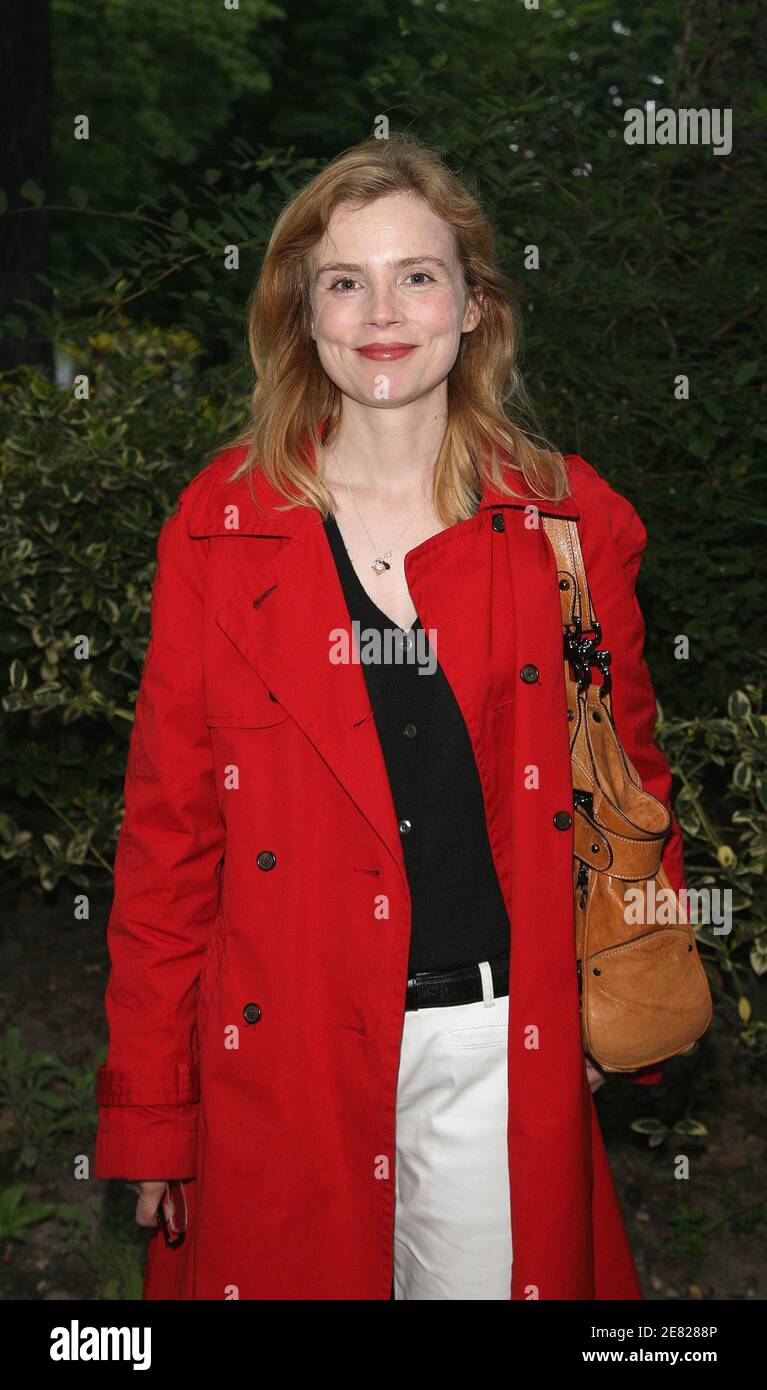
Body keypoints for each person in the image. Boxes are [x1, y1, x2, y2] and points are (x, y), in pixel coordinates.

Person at [94, 133, 684, 1300]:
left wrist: (605, 994)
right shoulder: (219, 527)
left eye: (416, 275)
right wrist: (155, 1108)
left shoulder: (564, 522)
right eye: (343, 281)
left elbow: (627, 786)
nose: (381, 313)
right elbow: (168, 840)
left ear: (473, 307)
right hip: (280, 1058)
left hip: (495, 1051)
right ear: (299, 312)